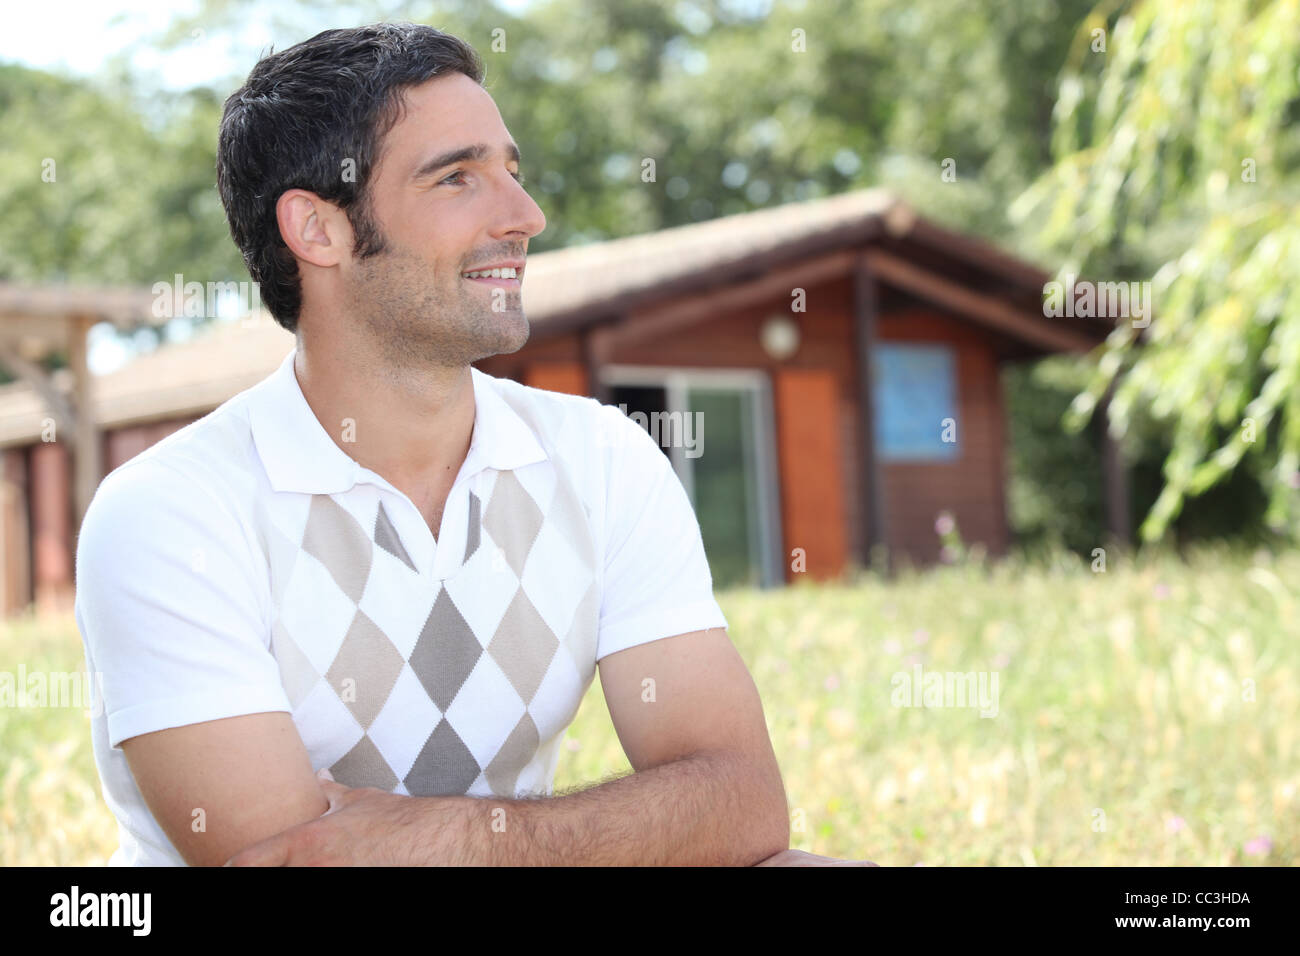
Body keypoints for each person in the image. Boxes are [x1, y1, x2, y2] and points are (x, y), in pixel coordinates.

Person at [74, 21, 792, 866]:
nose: (526, 216)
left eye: (511, 173)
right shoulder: (171, 512)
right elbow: (292, 861)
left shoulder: (602, 459)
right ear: (318, 230)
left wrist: (455, 839)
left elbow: (741, 803)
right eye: (457, 178)